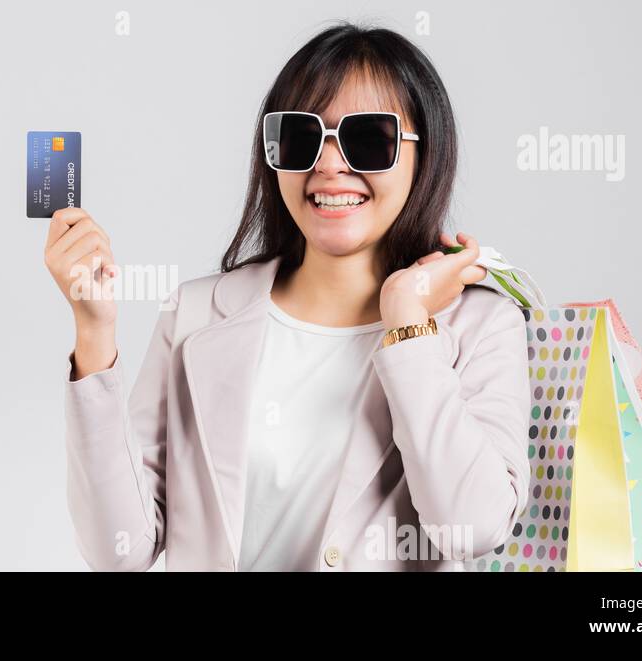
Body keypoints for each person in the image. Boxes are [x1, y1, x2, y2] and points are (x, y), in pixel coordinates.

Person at [42, 22, 530, 571]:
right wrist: (94, 331)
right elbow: (118, 553)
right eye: (300, 137)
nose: (327, 164)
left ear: (425, 155)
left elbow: (474, 526)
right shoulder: (195, 314)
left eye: (368, 139)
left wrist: (408, 321)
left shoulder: (482, 324)